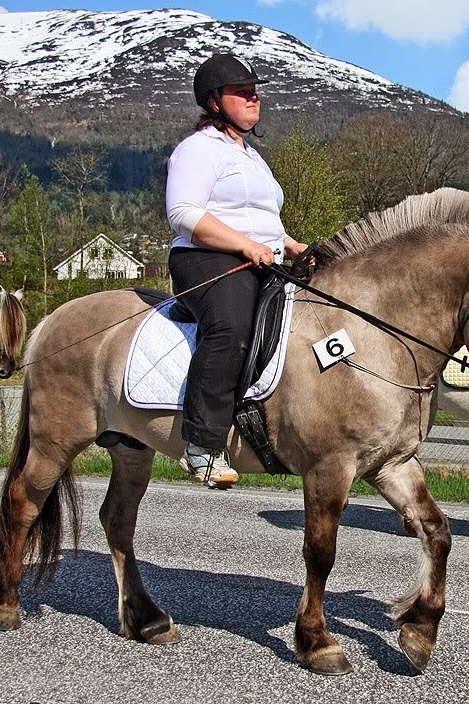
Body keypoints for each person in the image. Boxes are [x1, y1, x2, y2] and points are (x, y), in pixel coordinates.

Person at [166, 53, 308, 488]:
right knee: (232, 327)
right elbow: (183, 213)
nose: (253, 99)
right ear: (213, 102)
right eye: (241, 93)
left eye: (255, 92)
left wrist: (297, 247)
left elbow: (263, 221)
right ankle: (203, 444)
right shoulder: (196, 150)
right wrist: (246, 245)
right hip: (206, 259)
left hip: (261, 259)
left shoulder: (253, 159)